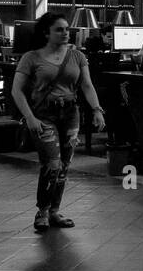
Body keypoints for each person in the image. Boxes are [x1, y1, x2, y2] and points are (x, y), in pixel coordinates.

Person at [12, 12, 106, 233]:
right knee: (52, 164)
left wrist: (97, 110)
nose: (66, 33)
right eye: (59, 29)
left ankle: (54, 210)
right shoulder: (31, 57)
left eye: (66, 29)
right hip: (44, 115)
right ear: (47, 33)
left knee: (64, 165)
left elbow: (87, 85)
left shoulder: (77, 56)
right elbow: (16, 90)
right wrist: (30, 118)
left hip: (70, 113)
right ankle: (42, 210)